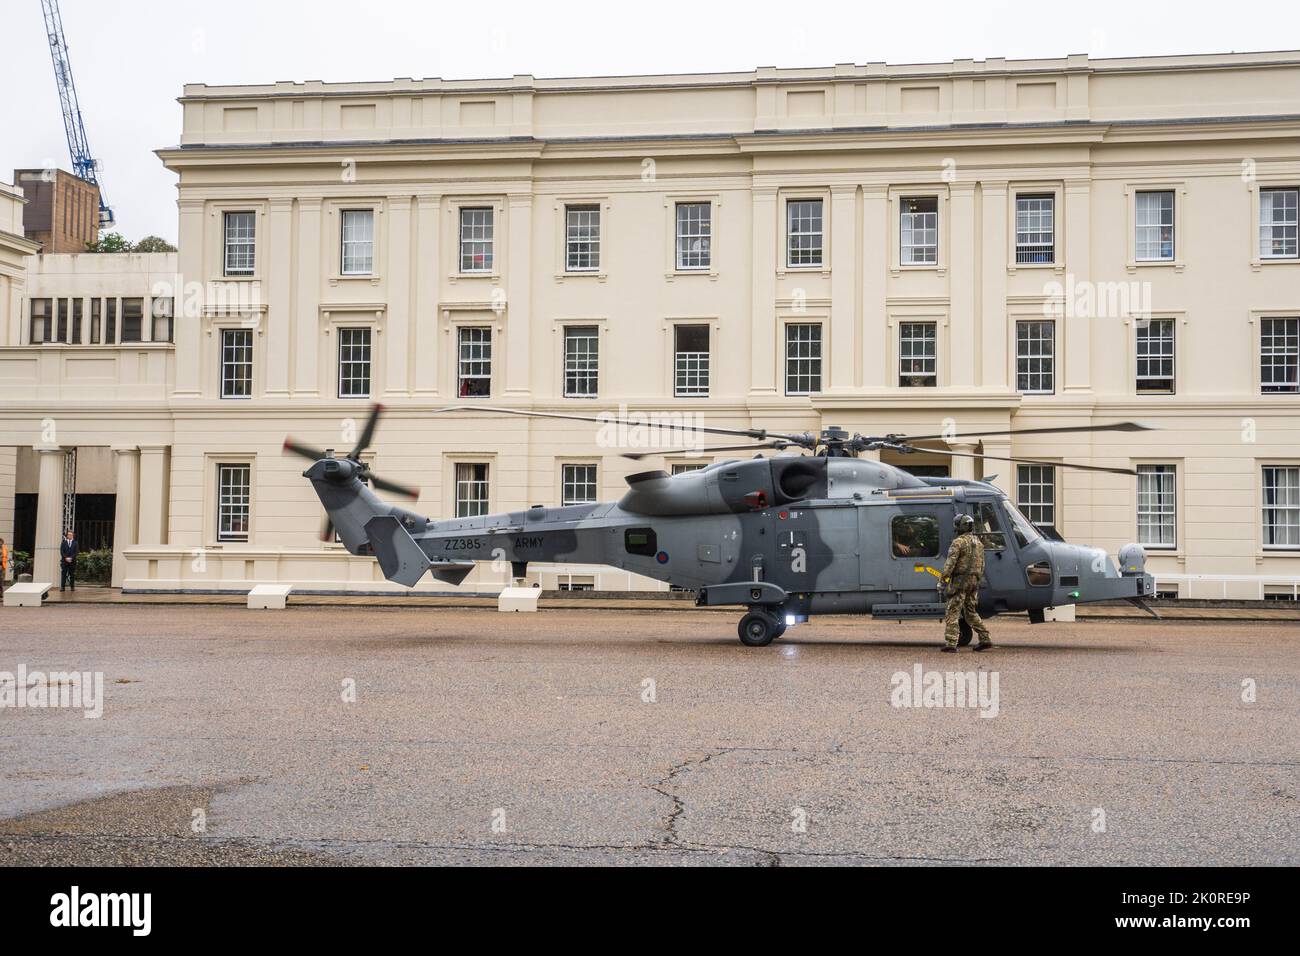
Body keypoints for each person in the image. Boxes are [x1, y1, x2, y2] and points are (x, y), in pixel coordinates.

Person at [939, 514, 991, 652]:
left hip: (960, 582)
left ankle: (951, 643)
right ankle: (985, 638)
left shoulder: (958, 542)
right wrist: (977, 580)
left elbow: (949, 565)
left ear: (959, 526)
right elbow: (982, 565)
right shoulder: (979, 543)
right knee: (970, 612)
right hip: (974, 582)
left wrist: (942, 582)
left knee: (952, 611)